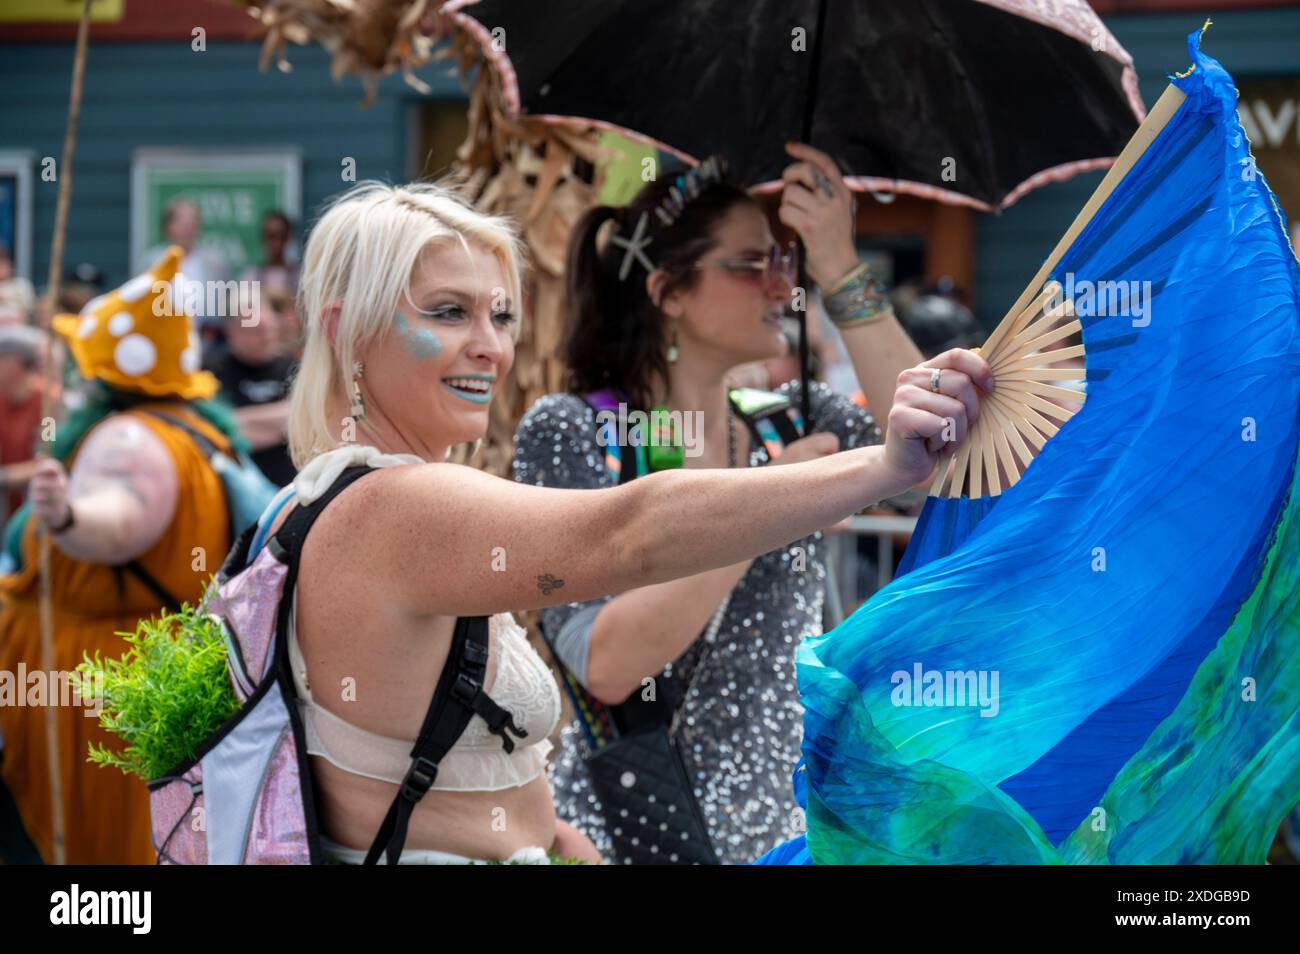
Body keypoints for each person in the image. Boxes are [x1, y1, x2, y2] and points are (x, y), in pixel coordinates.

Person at [254, 179, 989, 864]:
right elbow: (633, 537)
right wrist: (874, 468)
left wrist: (839, 264)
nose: (491, 344)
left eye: (500, 314)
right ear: (347, 331)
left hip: (766, 825)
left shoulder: (339, 493)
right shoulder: (397, 503)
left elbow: (953, 471)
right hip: (648, 823)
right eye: (448, 312)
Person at [512, 145, 932, 863]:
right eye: (751, 264)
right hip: (631, 833)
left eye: (784, 260)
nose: (780, 285)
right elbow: (608, 664)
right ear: (668, 292)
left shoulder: (790, 417)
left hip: (789, 835)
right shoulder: (578, 431)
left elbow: (937, 452)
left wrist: (839, 265)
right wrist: (779, 496)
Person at [0, 247, 239, 864]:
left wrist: (67, 517)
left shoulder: (128, 438)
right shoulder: (193, 429)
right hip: (141, 673)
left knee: (101, 854)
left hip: (96, 690)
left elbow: (120, 518)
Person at [204, 289, 297, 486]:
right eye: (256, 330)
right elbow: (209, 430)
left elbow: (304, 420)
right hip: (232, 489)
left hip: (286, 488)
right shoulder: (211, 370)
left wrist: (238, 422)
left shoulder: (293, 368)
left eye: (270, 327)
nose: (266, 336)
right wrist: (280, 419)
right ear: (232, 331)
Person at [138, 199, 229, 324]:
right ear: (168, 227)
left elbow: (227, 304)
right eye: (182, 223)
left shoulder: (215, 262)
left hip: (207, 338)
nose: (188, 228)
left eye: (193, 222)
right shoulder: (152, 262)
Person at [0, 325, 47, 522]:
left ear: (14, 362)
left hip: (32, 514)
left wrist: (4, 477)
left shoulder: (48, 406)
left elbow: (48, 460)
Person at [239, 209, 300, 299]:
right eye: (271, 237)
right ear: (263, 238)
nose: (276, 243)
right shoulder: (250, 278)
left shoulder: (299, 278)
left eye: (281, 236)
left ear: (288, 237)